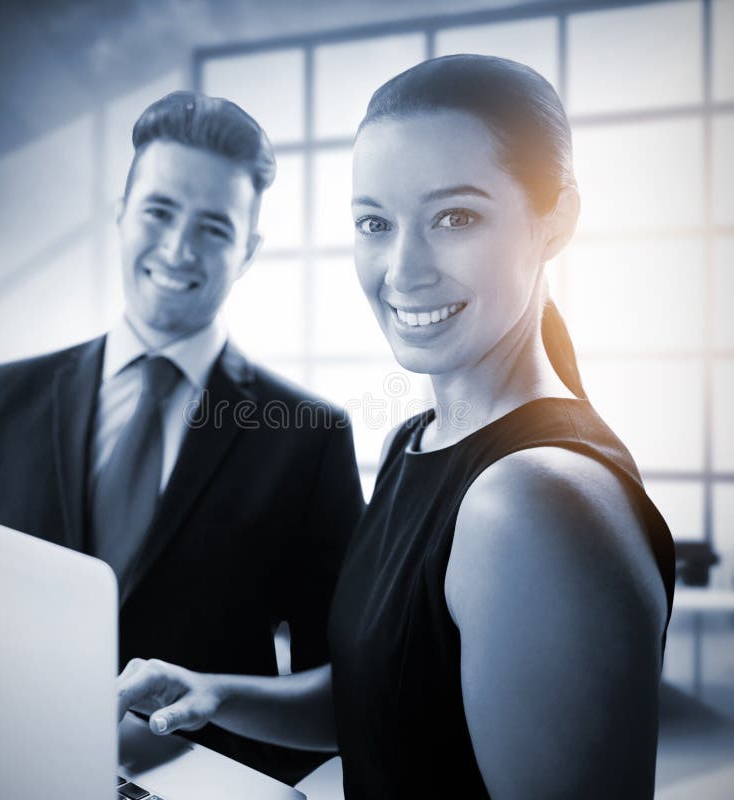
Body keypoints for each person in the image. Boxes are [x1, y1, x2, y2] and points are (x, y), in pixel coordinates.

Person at [115, 57, 675, 798]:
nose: (403, 269)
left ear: (556, 222)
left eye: (456, 217)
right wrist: (218, 696)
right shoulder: (417, 440)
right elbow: (389, 698)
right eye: (375, 223)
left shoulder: (531, 501)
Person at [0, 91, 365, 786]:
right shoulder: (6, 398)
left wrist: (221, 706)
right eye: (160, 211)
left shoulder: (308, 436)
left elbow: (345, 689)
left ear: (249, 251)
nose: (178, 248)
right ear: (120, 211)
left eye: (214, 227)